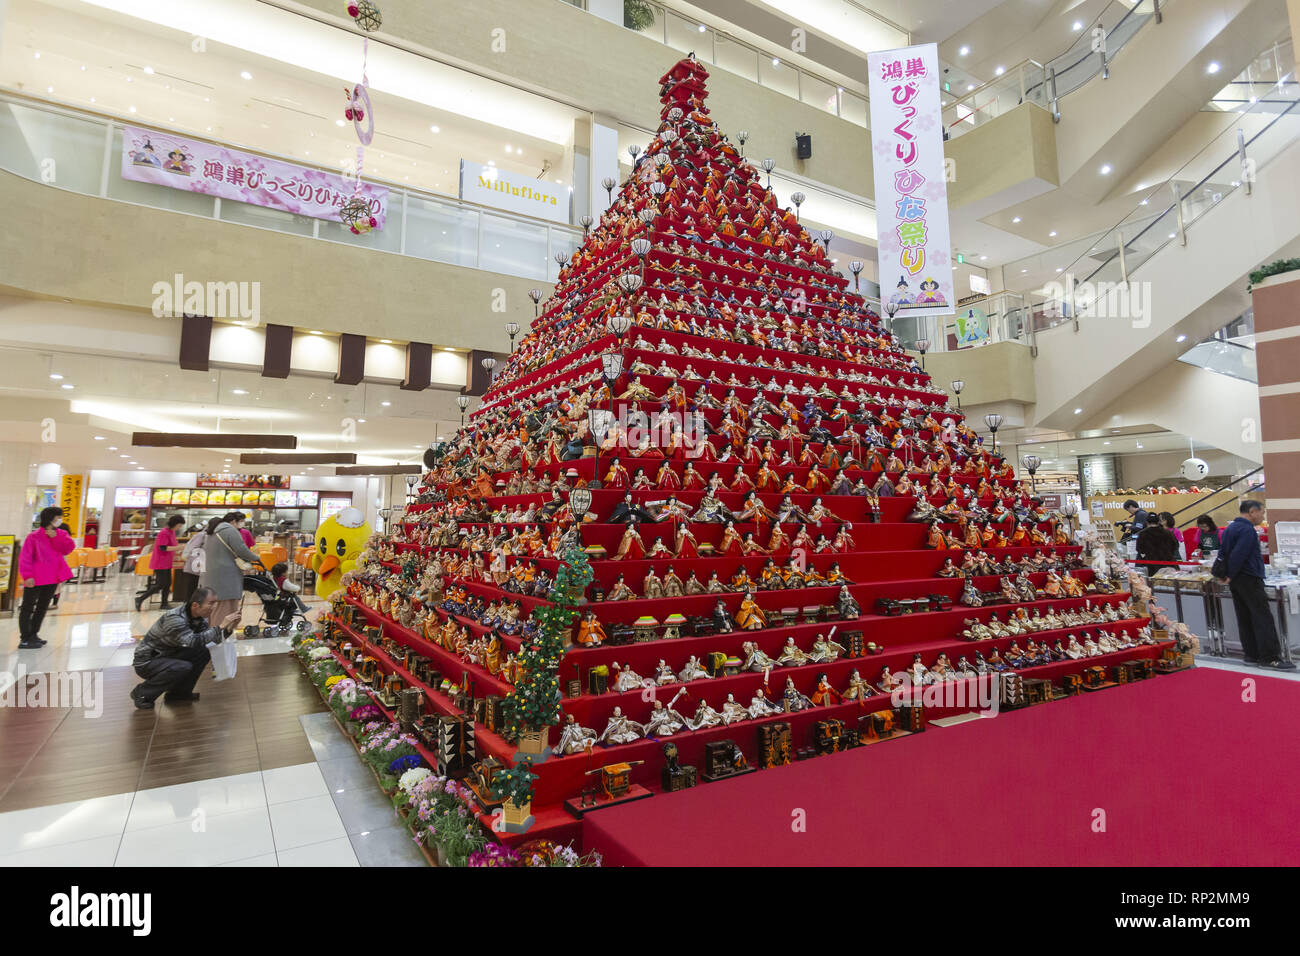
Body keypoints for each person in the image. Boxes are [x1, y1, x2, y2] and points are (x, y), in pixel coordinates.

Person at [130, 586, 242, 709]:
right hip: (147, 661)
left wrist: (229, 628)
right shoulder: (175, 619)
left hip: (167, 655)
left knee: (203, 652)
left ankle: (178, 694)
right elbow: (194, 641)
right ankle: (142, 693)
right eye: (210, 603)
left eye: (215, 603)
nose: (214, 607)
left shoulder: (198, 618)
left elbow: (209, 640)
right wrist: (220, 626)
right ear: (195, 605)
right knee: (182, 666)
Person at [1216, 500, 1294, 670]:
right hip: (1249, 578)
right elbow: (1239, 554)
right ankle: (1269, 657)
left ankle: (1251, 654)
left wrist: (1226, 574)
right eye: (1261, 512)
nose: (1262, 516)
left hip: (1237, 580)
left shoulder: (1230, 528)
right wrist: (1230, 574)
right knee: (1262, 617)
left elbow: (1224, 552)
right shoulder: (1247, 530)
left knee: (1244, 616)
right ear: (1252, 511)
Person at [16, 506, 75, 649]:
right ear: (49, 519)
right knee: (27, 607)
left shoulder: (61, 534)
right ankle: (25, 638)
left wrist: (56, 537)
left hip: (52, 578)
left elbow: (68, 549)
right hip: (35, 578)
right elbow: (25, 558)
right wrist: (27, 575)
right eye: (57, 517)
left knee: (42, 608)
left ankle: (34, 634)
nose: (60, 520)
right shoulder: (34, 536)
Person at [200, 512, 261, 632]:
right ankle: (220, 635)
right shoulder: (229, 530)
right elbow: (241, 549)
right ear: (233, 521)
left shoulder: (211, 532)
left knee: (214, 607)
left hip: (210, 576)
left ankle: (210, 633)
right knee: (226, 607)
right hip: (226, 577)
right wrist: (256, 558)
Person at [136, 514, 185, 612]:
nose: (179, 527)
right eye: (179, 525)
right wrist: (179, 548)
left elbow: (172, 546)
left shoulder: (171, 532)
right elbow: (162, 547)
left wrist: (177, 550)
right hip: (160, 562)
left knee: (167, 583)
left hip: (167, 562)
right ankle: (140, 599)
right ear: (174, 524)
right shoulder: (164, 533)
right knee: (161, 584)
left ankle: (164, 603)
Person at [176, 517, 217, 608]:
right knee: (191, 594)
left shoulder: (212, 537)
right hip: (193, 569)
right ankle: (186, 614)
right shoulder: (201, 535)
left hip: (201, 570)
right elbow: (192, 549)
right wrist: (198, 561)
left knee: (197, 594)